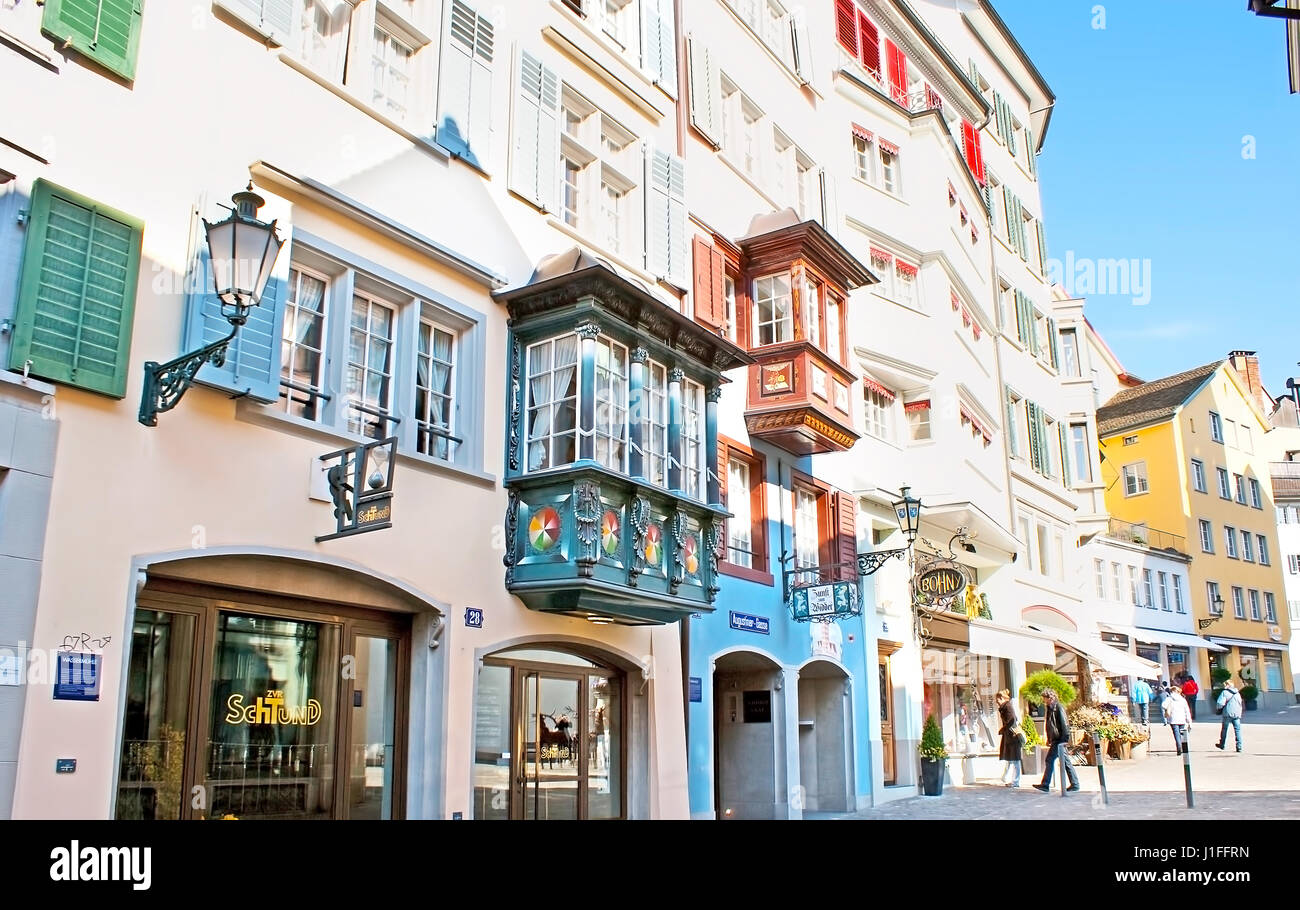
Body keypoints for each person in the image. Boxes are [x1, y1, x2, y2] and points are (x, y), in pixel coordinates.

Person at [1032, 689, 1079, 794]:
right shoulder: (1050, 708)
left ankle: (1045, 784)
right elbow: (1050, 725)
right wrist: (1049, 738)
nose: (1044, 701)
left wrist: (1065, 739)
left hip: (1059, 740)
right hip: (1056, 739)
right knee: (1064, 762)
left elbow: (1064, 724)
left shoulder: (1058, 707)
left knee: (1050, 760)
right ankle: (1074, 784)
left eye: (1044, 698)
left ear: (1050, 698)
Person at [995, 689, 1023, 787]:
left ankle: (1015, 781)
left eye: (997, 700)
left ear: (1001, 698)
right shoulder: (1006, 706)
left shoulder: (1007, 706)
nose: (996, 702)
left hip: (1012, 736)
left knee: (1015, 759)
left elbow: (1012, 720)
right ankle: (1008, 778)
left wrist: (1003, 729)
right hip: (1010, 736)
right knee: (1011, 758)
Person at [1215, 681, 1244, 752]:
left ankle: (1222, 744)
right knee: (1237, 730)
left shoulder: (1224, 692)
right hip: (1237, 713)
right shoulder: (1237, 693)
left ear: (1227, 685)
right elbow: (1240, 702)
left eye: (1225, 685)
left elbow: (1220, 703)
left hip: (1227, 713)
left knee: (1224, 729)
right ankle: (1239, 746)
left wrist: (1218, 708)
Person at [1164, 684, 1191, 754]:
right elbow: (1187, 710)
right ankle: (1184, 747)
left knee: (1176, 734)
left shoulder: (1169, 698)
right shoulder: (1182, 699)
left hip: (1173, 719)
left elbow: (1163, 705)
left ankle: (1179, 747)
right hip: (1182, 719)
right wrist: (1189, 720)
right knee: (1182, 734)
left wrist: (1167, 709)